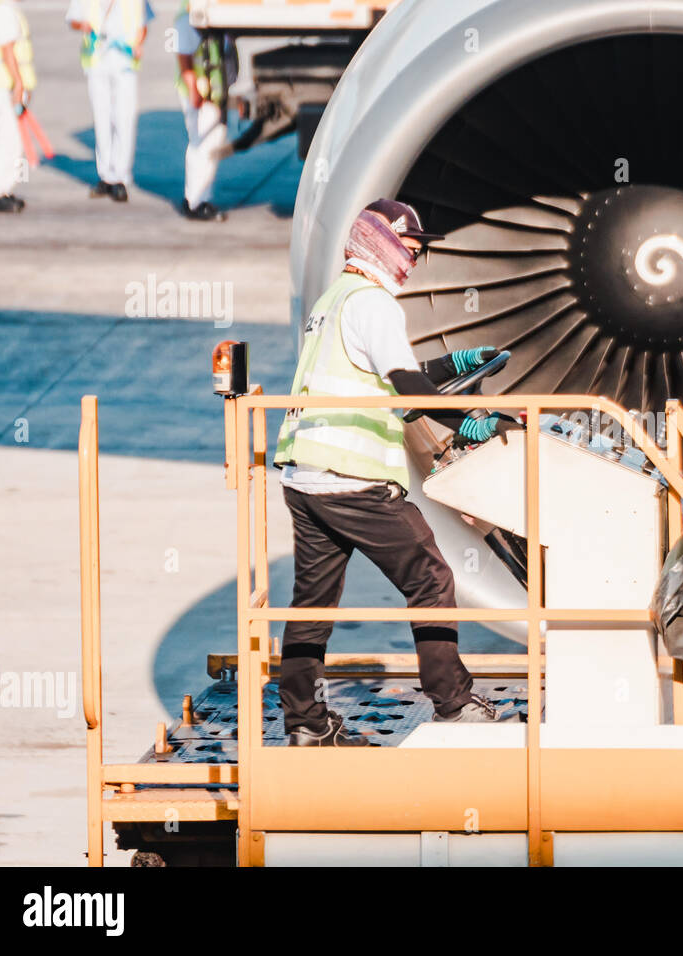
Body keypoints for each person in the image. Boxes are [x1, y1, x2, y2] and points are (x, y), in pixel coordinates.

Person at [273, 200, 522, 746]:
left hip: (304, 475)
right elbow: (405, 388)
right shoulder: (376, 304)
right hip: (351, 478)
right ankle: (454, 704)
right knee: (431, 578)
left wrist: (450, 367)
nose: (415, 260)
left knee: (312, 602)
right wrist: (470, 422)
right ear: (382, 243)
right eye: (410, 248)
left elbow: (376, 380)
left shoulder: (335, 298)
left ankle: (305, 724)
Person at [66, 0, 154, 202]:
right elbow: (73, 20)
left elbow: (144, 23)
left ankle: (121, 177)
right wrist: (84, 26)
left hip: (124, 61)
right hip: (96, 61)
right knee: (102, 119)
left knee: (124, 118)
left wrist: (139, 43)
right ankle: (105, 175)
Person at [171, 0, 227, 221]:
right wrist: (195, 92)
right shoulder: (187, 18)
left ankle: (198, 197)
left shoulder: (198, 16)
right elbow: (184, 59)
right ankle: (196, 201)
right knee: (201, 144)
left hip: (209, 92)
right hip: (200, 93)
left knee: (209, 143)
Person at [0, 0, 34, 212]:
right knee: (9, 139)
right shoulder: (3, 10)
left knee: (0, 137)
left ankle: (2, 190)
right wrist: (18, 83)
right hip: (4, 86)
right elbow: (7, 49)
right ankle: (0, 192)